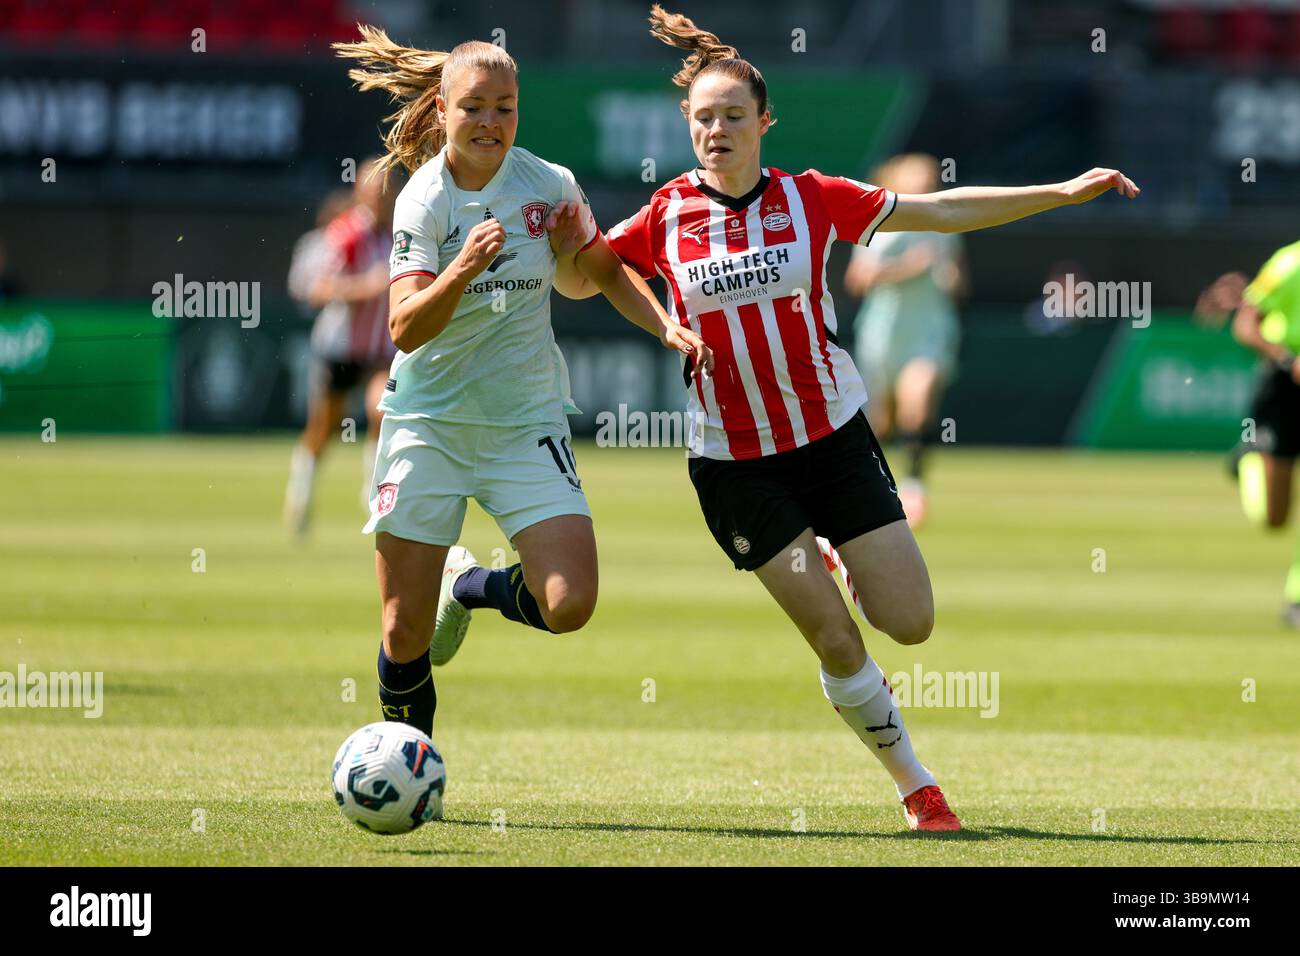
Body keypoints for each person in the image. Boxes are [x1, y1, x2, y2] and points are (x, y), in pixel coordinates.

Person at [551, 4, 1139, 831]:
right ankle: (917, 785)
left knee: (911, 623)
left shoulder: (812, 198)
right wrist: (560, 233)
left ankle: (838, 545)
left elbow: (940, 212)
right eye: (701, 119)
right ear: (686, 127)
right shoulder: (664, 215)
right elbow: (585, 278)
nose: (715, 131)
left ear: (764, 121)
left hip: (833, 440)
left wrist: (1060, 193)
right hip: (735, 466)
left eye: (731, 116)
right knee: (834, 638)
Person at [332, 26, 713, 739]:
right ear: (441, 111)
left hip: (525, 422)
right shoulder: (425, 200)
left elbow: (597, 274)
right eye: (474, 107)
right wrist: (461, 269)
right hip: (429, 424)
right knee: (403, 632)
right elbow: (405, 328)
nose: (490, 122)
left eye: (504, 107)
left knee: (569, 604)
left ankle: (467, 586)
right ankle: (410, 765)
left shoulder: (548, 184)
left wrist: (662, 323)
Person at [844, 153, 966, 526]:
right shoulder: (877, 226)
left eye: (931, 179)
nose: (928, 183)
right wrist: (906, 269)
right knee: (883, 422)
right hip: (883, 333)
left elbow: (960, 284)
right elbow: (857, 280)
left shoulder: (945, 226)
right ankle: (870, 490)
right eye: (919, 177)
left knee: (919, 398)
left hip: (929, 331)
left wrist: (950, 278)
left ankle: (914, 489)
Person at [284, 166, 396, 535]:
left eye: (387, 189)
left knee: (383, 410)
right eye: (374, 191)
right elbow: (310, 287)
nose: (382, 198)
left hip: (383, 346)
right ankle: (300, 494)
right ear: (361, 193)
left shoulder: (403, 232)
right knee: (324, 428)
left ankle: (373, 492)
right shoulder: (345, 236)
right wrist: (363, 287)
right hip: (340, 347)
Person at [1229, 239, 1300, 626]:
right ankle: (1248, 460)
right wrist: (1287, 359)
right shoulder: (1290, 263)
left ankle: (1297, 601)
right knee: (1275, 518)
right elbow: (1245, 325)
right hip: (1285, 386)